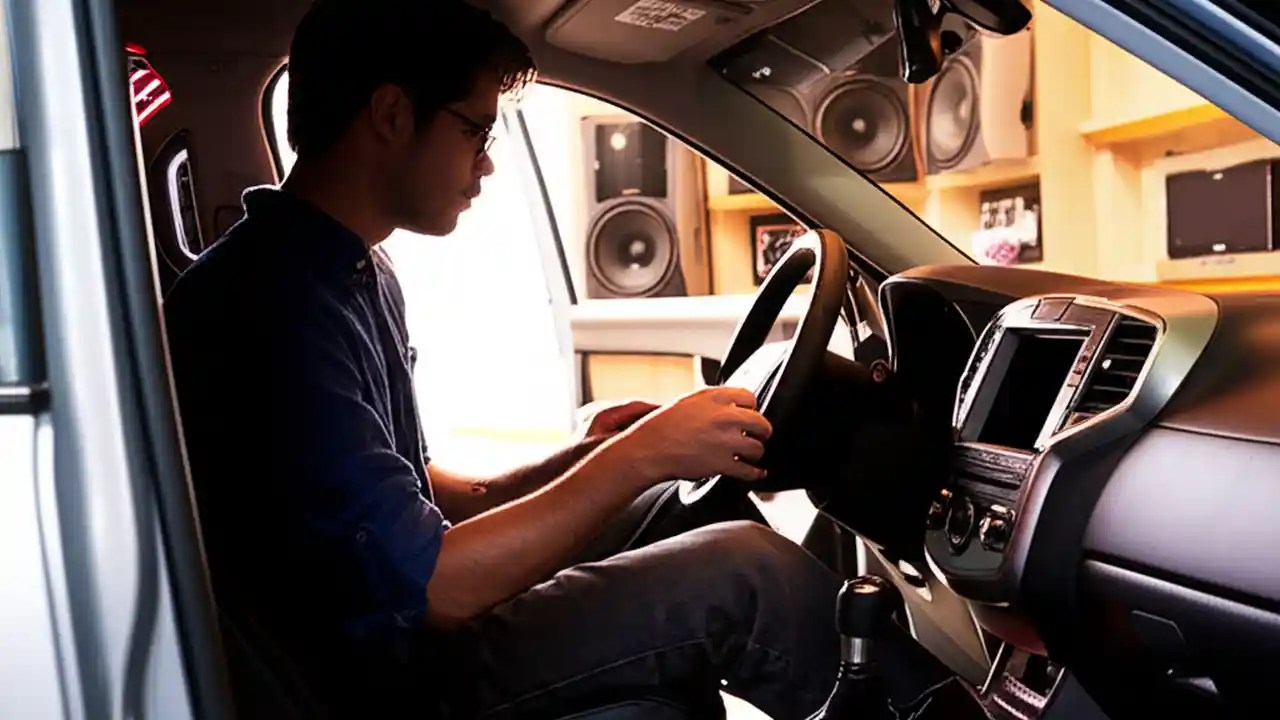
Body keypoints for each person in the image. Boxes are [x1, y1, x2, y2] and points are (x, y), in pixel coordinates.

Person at [164, 1, 939, 718]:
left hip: (394, 642)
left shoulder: (346, 271)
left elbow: (411, 495)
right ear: (392, 115)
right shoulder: (273, 303)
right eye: (474, 131)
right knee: (745, 572)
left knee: (683, 506)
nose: (487, 164)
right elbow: (432, 584)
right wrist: (639, 455)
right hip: (380, 681)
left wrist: (588, 455)